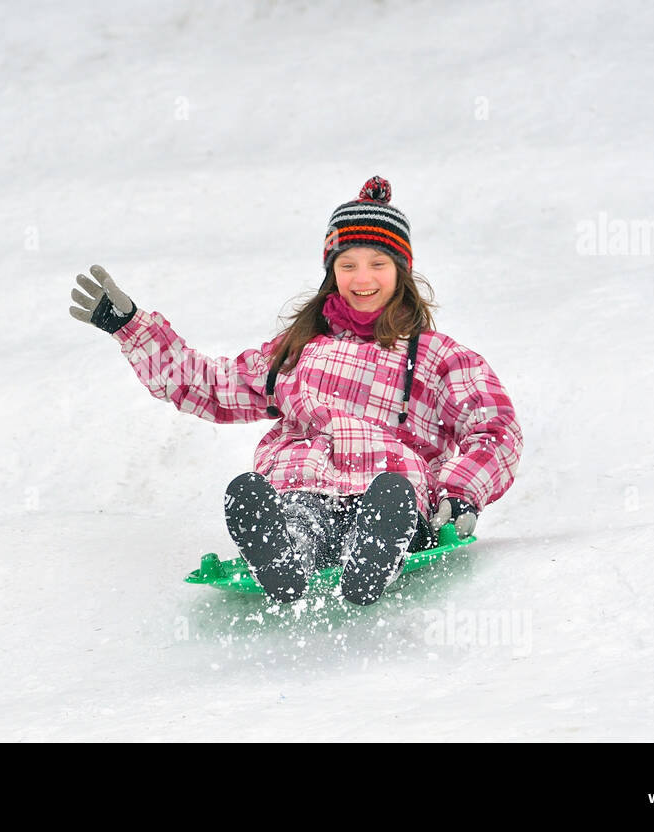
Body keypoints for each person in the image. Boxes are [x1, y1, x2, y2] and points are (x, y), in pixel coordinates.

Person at [69, 176, 523, 606]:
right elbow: (206, 384)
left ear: (401, 271)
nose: (362, 278)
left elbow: (495, 427)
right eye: (348, 265)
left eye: (378, 264)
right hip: (302, 484)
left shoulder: (436, 355)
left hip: (390, 490)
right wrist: (129, 327)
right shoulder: (298, 353)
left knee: (388, 500)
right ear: (332, 272)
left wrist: (461, 489)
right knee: (299, 515)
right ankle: (285, 552)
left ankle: (376, 549)